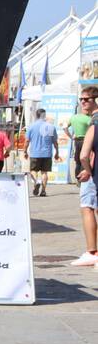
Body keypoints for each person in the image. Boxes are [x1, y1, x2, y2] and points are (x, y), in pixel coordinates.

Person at [70, 86, 98, 266]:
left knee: (87, 206)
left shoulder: (94, 121)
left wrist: (87, 169)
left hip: (92, 172)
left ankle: (91, 251)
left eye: (86, 99)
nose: (82, 102)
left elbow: (85, 154)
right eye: (81, 99)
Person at [24, 108, 59, 196]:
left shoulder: (31, 126)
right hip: (47, 153)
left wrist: (25, 151)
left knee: (33, 170)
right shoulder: (51, 126)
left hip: (35, 153)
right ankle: (43, 191)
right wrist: (57, 152)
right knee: (44, 172)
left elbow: (27, 141)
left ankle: (36, 182)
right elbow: (55, 142)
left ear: (36, 115)